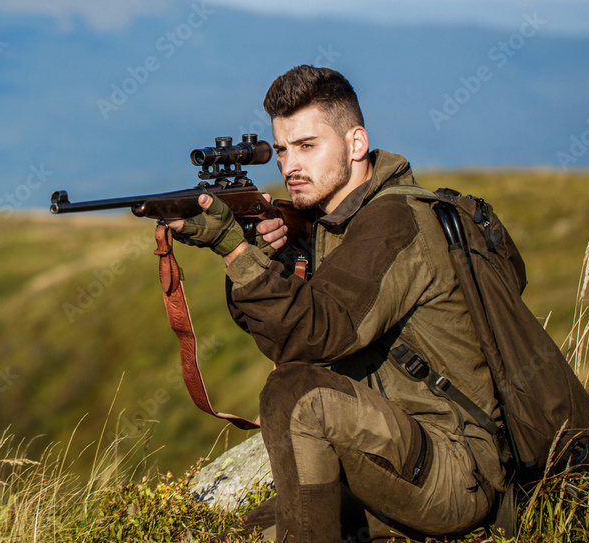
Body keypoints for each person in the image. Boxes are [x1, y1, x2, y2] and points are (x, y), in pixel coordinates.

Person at [168, 65, 506, 542]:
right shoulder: (332, 224)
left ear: (356, 144)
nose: (289, 166)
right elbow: (284, 341)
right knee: (255, 529)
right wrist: (262, 256)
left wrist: (234, 250)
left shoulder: (394, 224)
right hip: (402, 449)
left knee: (295, 394)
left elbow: (318, 334)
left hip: (455, 470)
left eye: (308, 146)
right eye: (281, 150)